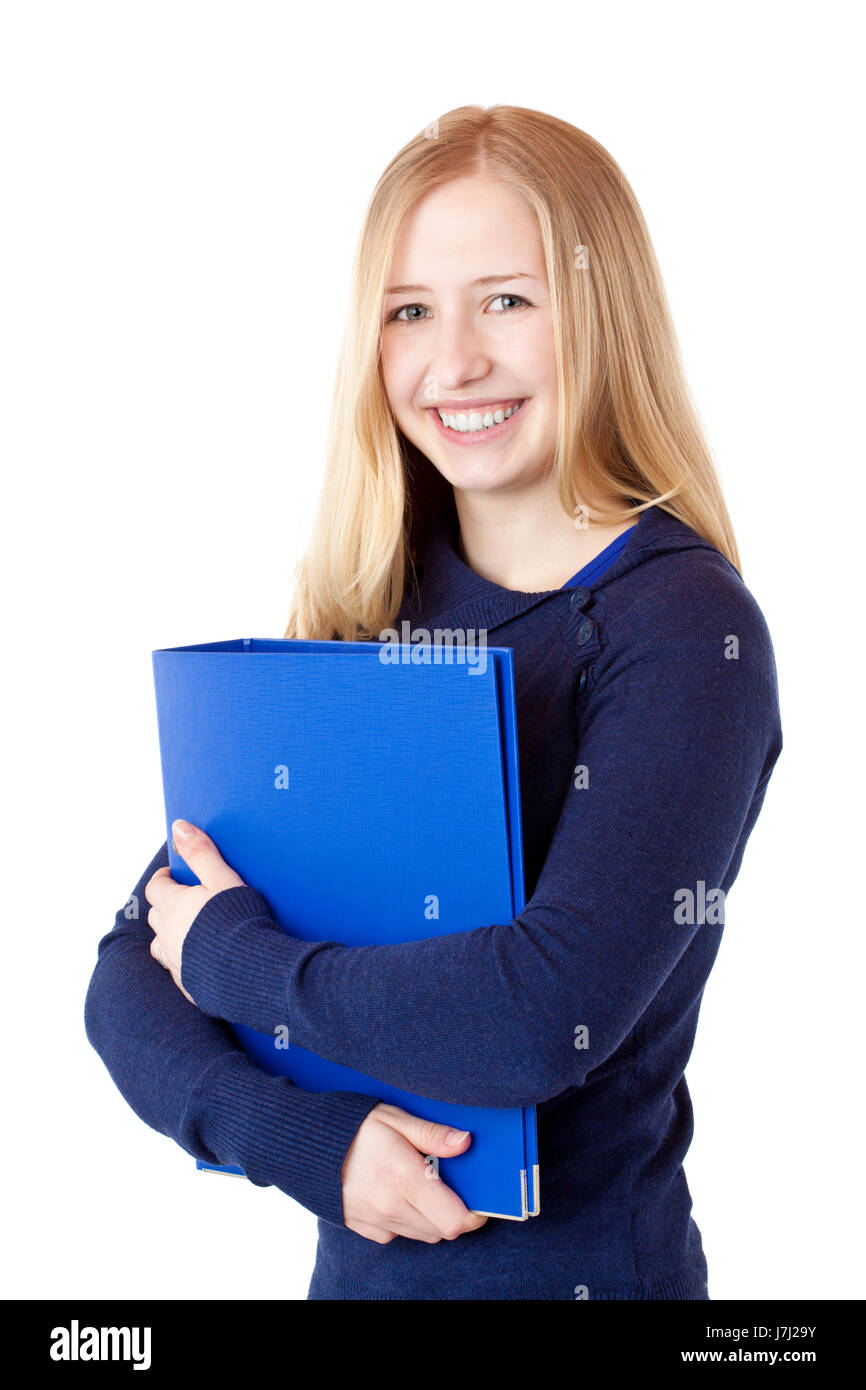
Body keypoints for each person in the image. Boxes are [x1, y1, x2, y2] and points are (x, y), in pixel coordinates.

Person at [85, 105, 782, 1300]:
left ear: (598, 313)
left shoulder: (684, 631)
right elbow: (131, 972)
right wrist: (313, 1144)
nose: (450, 362)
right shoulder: (371, 606)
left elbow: (535, 1014)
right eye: (408, 310)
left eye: (505, 299)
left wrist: (237, 961)